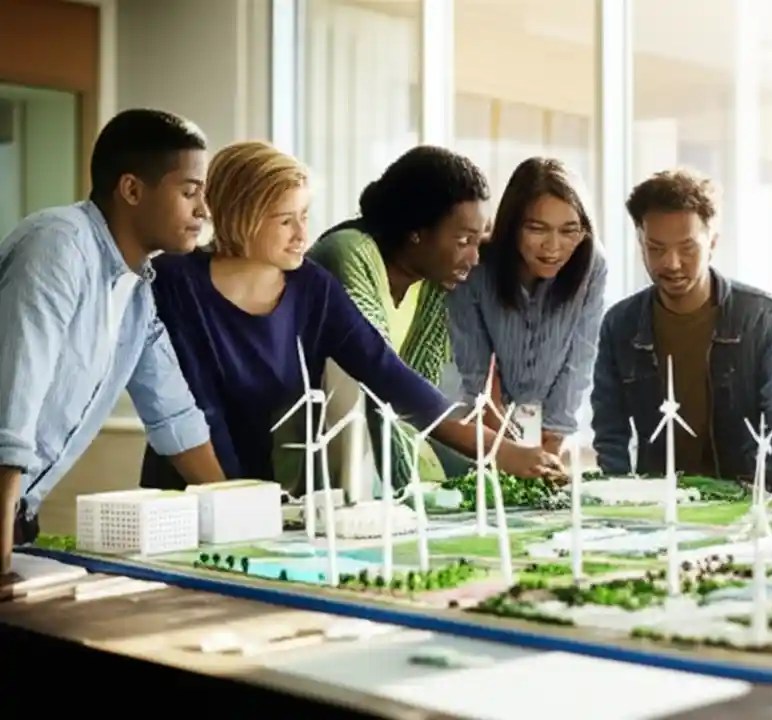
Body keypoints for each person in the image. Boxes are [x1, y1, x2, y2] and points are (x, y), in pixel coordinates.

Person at [140, 141, 561, 493]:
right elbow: (199, 408)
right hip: (186, 494)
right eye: (287, 221)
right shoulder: (174, 283)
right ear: (242, 216)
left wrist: (502, 452)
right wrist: (230, 498)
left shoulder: (313, 289)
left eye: (304, 217)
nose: (303, 235)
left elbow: (393, 379)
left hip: (256, 493)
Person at [0, 109, 226, 577]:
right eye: (189, 192)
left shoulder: (138, 290)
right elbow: (10, 418)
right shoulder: (60, 244)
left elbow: (174, 415)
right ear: (131, 189)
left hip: (19, 512)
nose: (204, 212)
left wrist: (238, 521)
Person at [592, 169, 772, 489]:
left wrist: (749, 493)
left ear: (713, 242)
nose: (672, 263)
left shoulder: (763, 317)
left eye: (687, 248)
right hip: (653, 504)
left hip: (741, 498)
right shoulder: (620, 324)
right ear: (640, 243)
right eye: (656, 248)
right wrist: (623, 494)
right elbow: (610, 429)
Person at [309, 145, 492, 487]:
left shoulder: (434, 284)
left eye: (478, 241)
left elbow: (417, 404)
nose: (474, 258)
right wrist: (493, 448)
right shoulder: (348, 254)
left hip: (373, 467)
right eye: (464, 240)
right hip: (319, 467)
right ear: (416, 231)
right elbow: (382, 377)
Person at [447, 158, 607, 456]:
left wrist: (555, 432)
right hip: (478, 427)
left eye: (569, 230)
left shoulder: (591, 263)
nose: (553, 246)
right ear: (512, 225)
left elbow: (581, 356)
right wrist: (505, 448)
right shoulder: (476, 264)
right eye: (537, 229)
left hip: (553, 429)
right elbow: (476, 368)